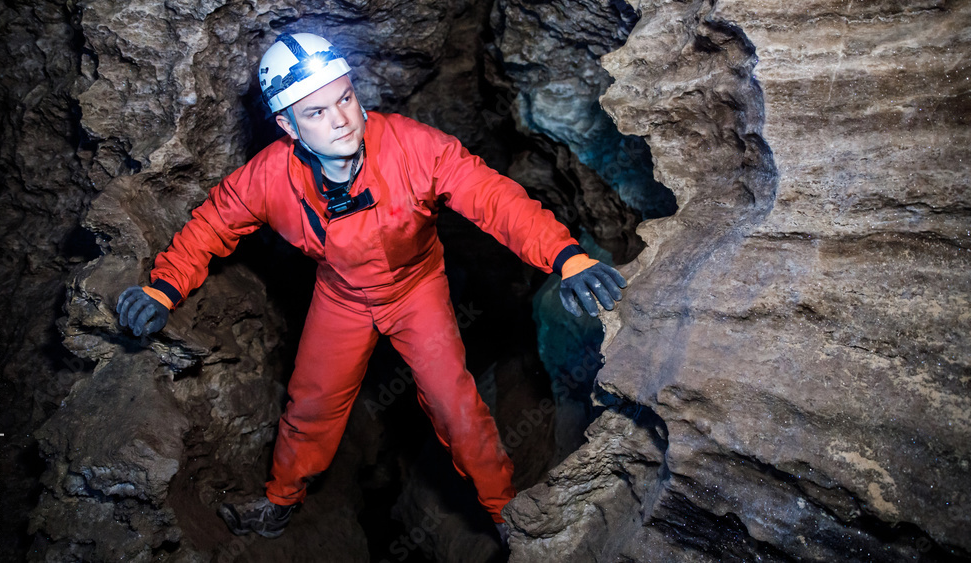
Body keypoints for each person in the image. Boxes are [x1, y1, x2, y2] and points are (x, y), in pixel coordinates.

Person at [116, 33, 627, 539]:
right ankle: (281, 500)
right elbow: (211, 224)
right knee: (312, 405)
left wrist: (566, 255)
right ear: (286, 125)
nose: (341, 119)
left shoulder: (412, 147)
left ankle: (503, 512)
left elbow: (493, 197)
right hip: (343, 297)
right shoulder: (269, 178)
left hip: (417, 289)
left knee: (455, 406)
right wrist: (164, 289)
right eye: (315, 112)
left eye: (345, 98)